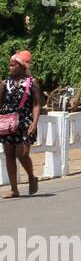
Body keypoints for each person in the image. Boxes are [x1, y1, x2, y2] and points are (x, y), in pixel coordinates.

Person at [2, 50, 42, 198]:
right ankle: (14, 189)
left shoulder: (32, 82)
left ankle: (31, 177)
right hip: (7, 122)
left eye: (13, 65)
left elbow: (37, 104)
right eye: (10, 65)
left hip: (25, 121)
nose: (10, 67)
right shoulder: (5, 83)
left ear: (21, 66)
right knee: (9, 155)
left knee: (23, 154)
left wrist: (34, 122)